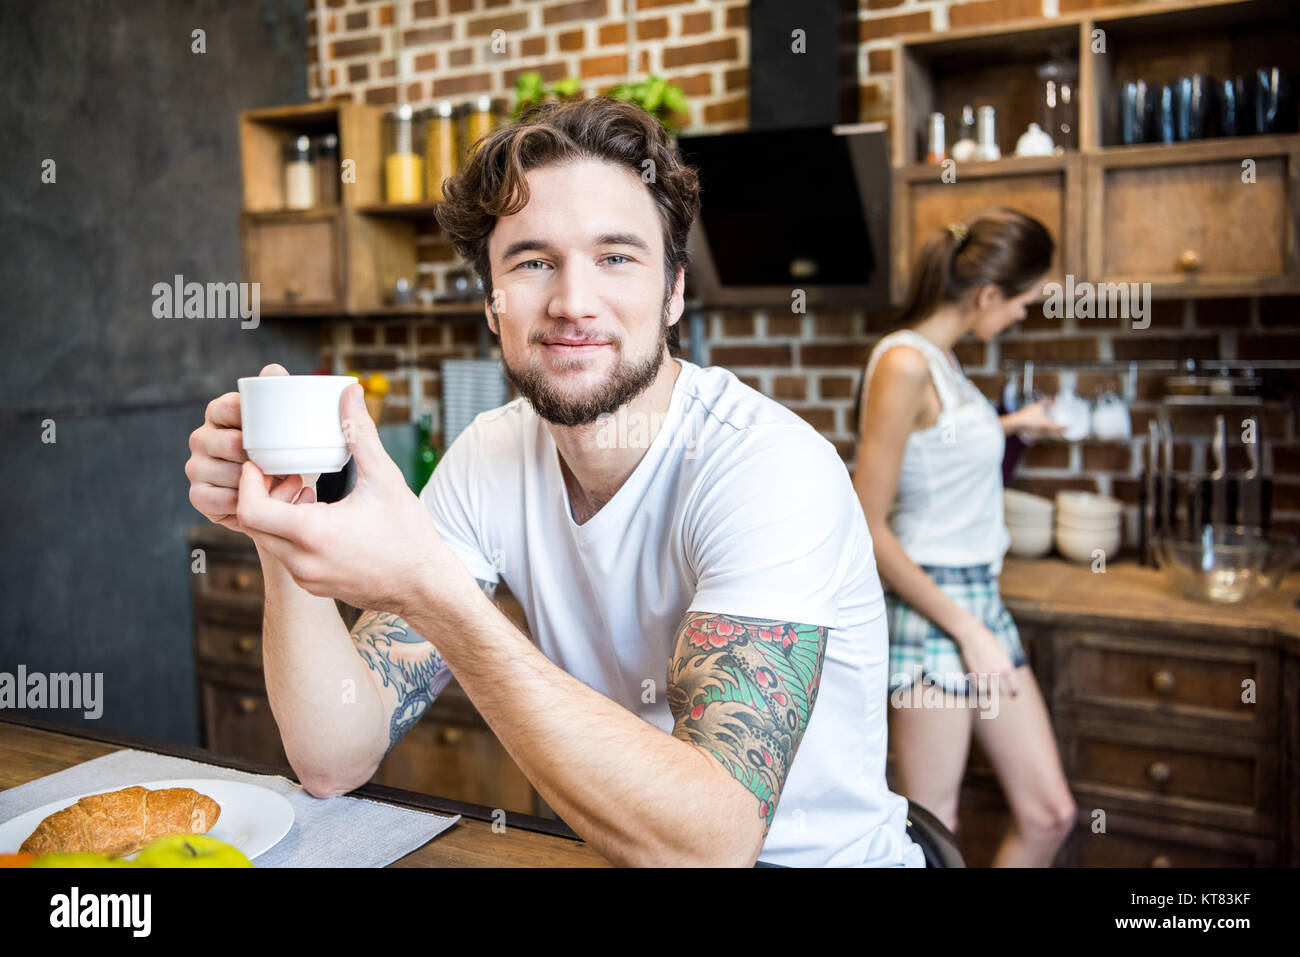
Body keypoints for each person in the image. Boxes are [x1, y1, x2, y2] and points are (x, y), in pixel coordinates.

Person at [185, 95, 924, 867]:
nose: (573, 302)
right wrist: (281, 529)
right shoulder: (489, 456)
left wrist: (435, 593)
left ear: (673, 291)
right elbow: (334, 755)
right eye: (534, 261)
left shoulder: (767, 466)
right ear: (492, 306)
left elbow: (715, 844)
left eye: (616, 257)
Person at [851, 208, 1077, 867]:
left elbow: (938, 447)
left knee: (1049, 813)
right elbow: (868, 523)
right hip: (933, 608)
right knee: (935, 829)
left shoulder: (942, 361)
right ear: (986, 295)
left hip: (980, 600)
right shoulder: (902, 362)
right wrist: (965, 628)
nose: (1020, 317)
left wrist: (1016, 424)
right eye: (1023, 304)